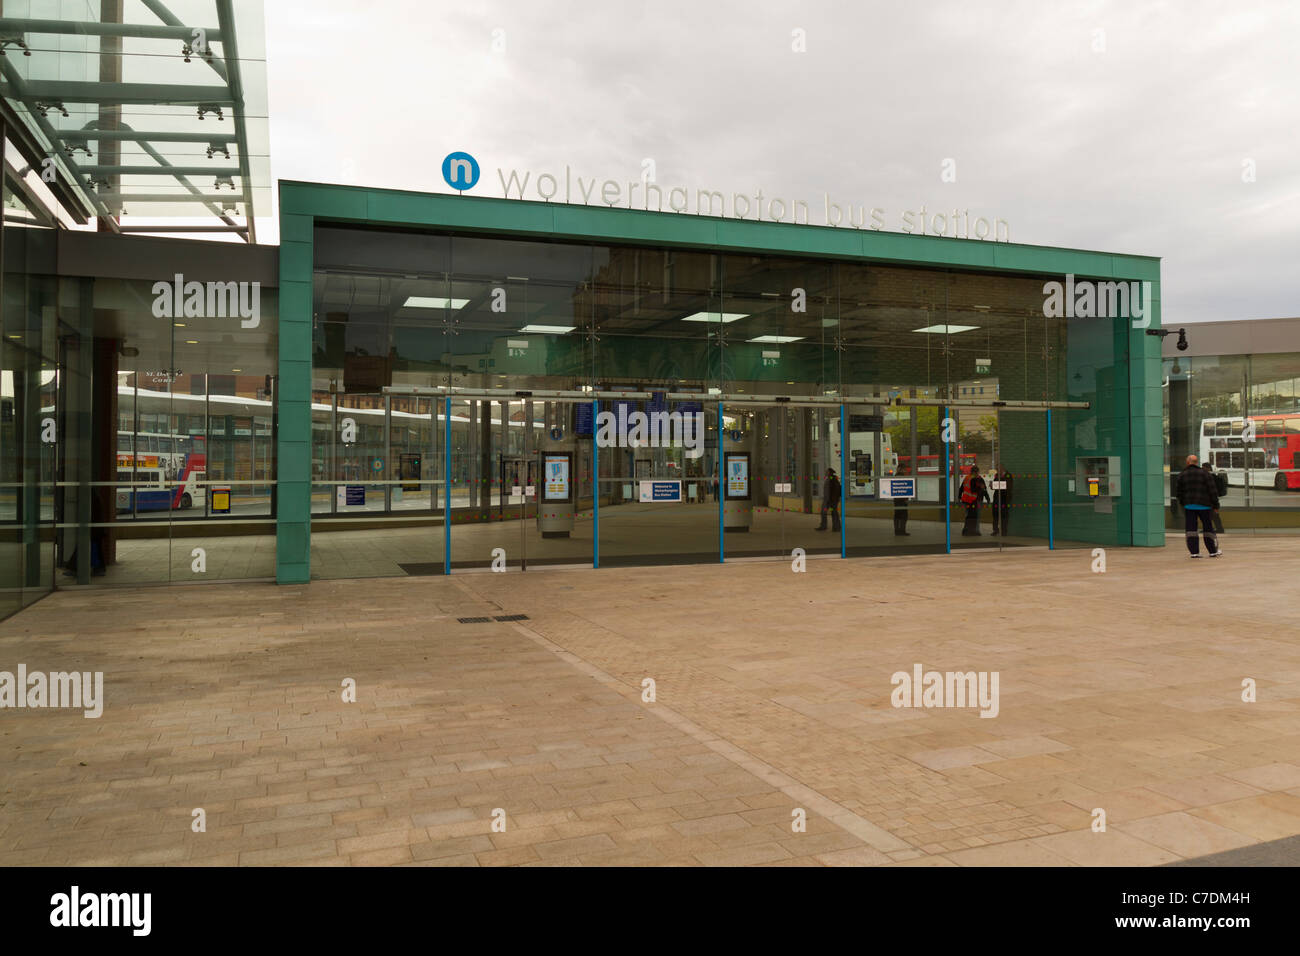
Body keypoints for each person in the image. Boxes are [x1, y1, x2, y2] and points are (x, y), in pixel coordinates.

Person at [1175, 454, 1221, 557]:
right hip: (1205, 506)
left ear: (1187, 462)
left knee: (1191, 530)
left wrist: (1183, 503)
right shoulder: (1205, 473)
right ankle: (1212, 551)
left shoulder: (1182, 474)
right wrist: (1216, 505)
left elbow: (1179, 492)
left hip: (1189, 506)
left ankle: (1194, 552)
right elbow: (1212, 490)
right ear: (1197, 462)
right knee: (1208, 528)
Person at [959, 465, 989, 536]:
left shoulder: (967, 478)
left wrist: (959, 496)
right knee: (976, 516)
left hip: (968, 500)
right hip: (975, 500)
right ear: (977, 472)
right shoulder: (978, 479)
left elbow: (961, 488)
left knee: (968, 516)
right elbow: (983, 489)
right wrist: (987, 498)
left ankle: (967, 530)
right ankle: (975, 530)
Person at [1202, 461, 1225, 534]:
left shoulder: (1211, 477)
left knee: (1212, 515)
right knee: (1211, 515)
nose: (1202, 470)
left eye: (1204, 469)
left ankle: (1217, 529)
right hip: (1210, 499)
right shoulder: (1212, 476)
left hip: (1210, 500)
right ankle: (1217, 529)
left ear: (1208, 469)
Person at [816, 467, 841, 532]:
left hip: (830, 501)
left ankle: (835, 527)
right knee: (828, 512)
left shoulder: (832, 479)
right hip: (828, 500)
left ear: (829, 472)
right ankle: (834, 527)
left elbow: (835, 491)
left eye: (827, 471)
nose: (825, 472)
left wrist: (832, 499)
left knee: (833, 513)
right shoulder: (830, 479)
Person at [991, 469, 1013, 536]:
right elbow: (995, 487)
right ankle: (995, 530)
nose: (997, 471)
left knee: (1004, 515)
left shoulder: (1008, 476)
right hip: (997, 498)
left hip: (1004, 498)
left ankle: (1004, 531)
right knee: (995, 515)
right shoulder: (997, 476)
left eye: (998, 469)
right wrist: (992, 485)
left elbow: (1007, 486)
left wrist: (998, 484)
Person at [893, 463, 911, 536]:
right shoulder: (902, 476)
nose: (905, 470)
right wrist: (906, 498)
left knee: (897, 515)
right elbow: (905, 488)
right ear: (901, 469)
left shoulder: (895, 476)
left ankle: (897, 531)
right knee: (904, 515)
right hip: (902, 500)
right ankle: (902, 531)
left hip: (896, 499)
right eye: (904, 469)